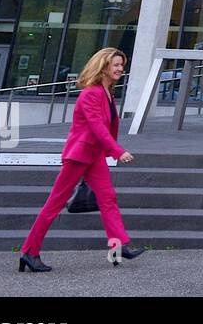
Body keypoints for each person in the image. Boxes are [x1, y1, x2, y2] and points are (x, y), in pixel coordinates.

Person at [19, 48, 144, 272]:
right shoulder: (91, 93)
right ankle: (29, 251)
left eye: (121, 65)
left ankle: (118, 247)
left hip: (94, 155)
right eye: (116, 65)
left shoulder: (107, 93)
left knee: (108, 198)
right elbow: (97, 126)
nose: (120, 69)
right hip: (79, 155)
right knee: (55, 203)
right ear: (103, 67)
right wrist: (117, 151)